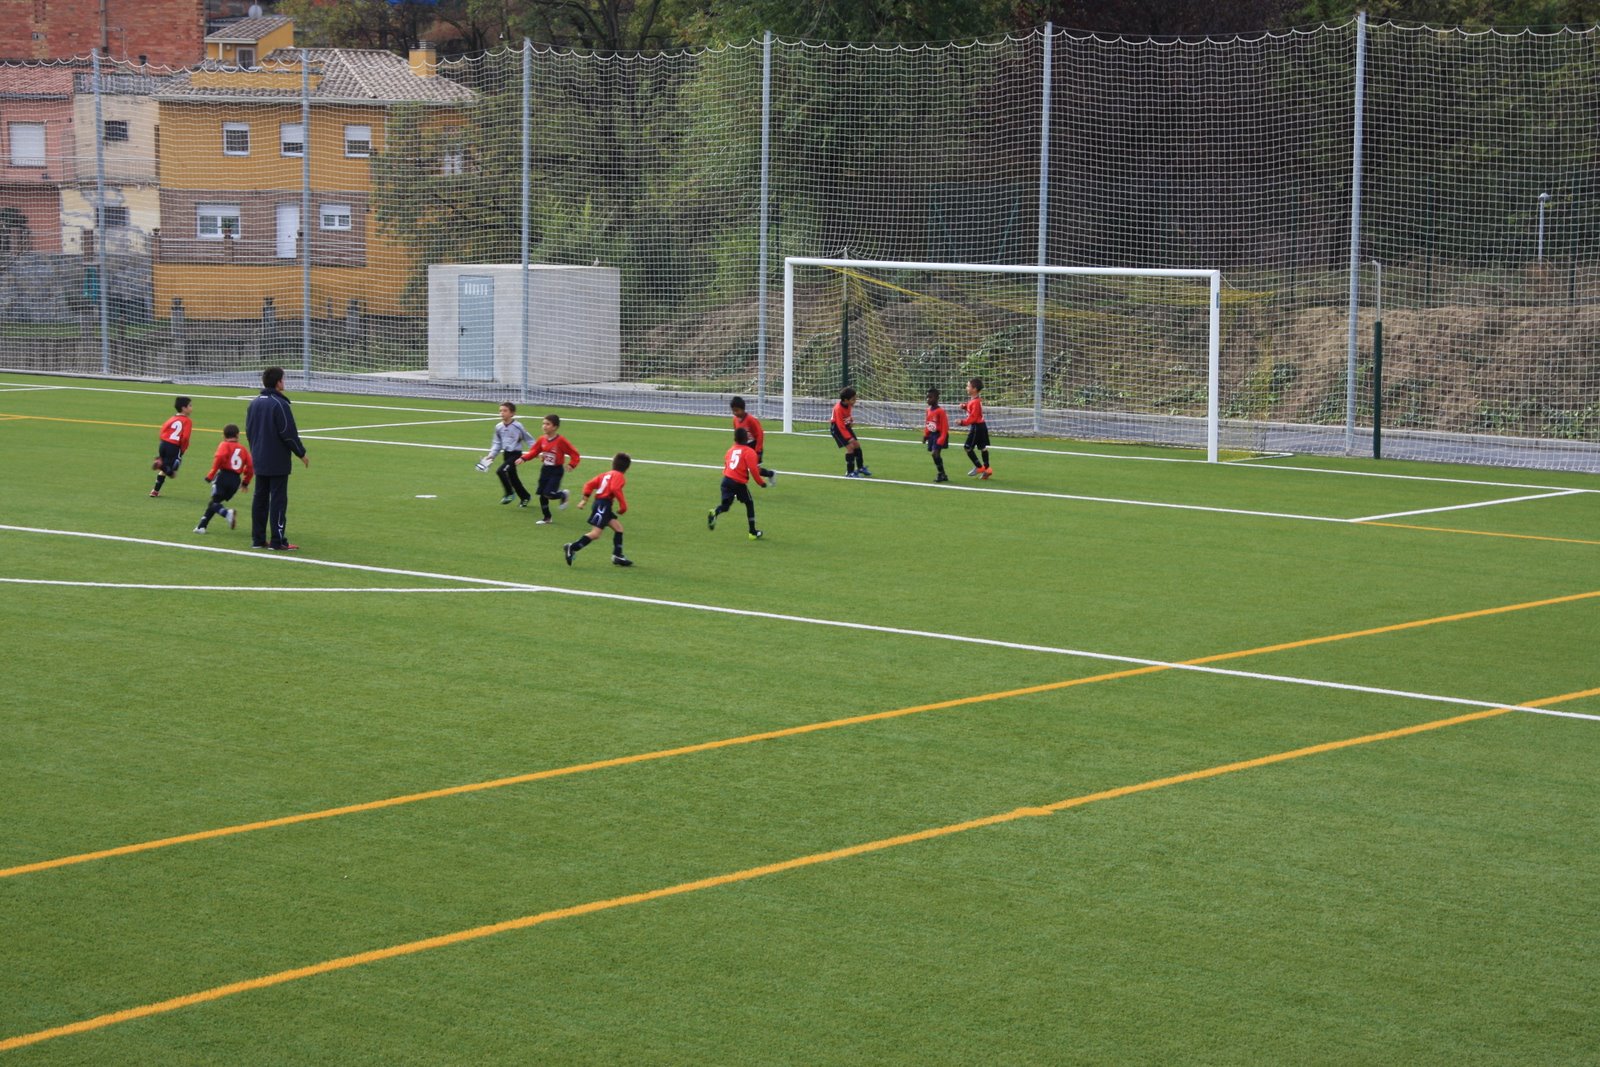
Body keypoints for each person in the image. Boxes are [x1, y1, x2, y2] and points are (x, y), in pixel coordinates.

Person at [244, 366, 309, 551]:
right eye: (283, 379)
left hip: (259, 458)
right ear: (278, 382)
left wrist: (255, 451)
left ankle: (258, 539)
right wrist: (301, 453)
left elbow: (249, 431)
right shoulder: (280, 404)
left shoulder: (254, 403)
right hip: (277, 461)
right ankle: (278, 541)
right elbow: (288, 433)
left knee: (260, 498)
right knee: (278, 500)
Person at [564, 452, 632, 567]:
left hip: (602, 505)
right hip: (603, 505)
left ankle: (617, 556)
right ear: (627, 467)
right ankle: (572, 547)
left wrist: (585, 500)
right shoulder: (619, 476)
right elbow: (615, 488)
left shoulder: (605, 474)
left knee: (618, 528)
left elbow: (589, 485)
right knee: (595, 533)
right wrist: (623, 505)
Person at [515, 414, 581, 525]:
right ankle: (547, 517)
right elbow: (534, 451)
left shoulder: (561, 441)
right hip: (545, 469)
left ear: (555, 427)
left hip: (556, 470)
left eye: (547, 424)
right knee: (542, 494)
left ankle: (563, 495)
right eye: (543, 423)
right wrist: (523, 458)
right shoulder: (542, 439)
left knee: (548, 493)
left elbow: (574, 453)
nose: (544, 426)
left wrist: (572, 464)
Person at [707, 427, 766, 540]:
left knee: (726, 506)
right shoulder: (749, 452)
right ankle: (752, 532)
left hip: (726, 480)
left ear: (735, 439)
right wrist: (761, 482)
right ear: (746, 438)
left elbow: (726, 463)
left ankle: (715, 511)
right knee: (749, 503)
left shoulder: (730, 450)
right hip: (738, 482)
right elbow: (754, 470)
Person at [195, 424, 253, 534]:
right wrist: (245, 482)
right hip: (235, 481)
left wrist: (211, 475)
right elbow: (250, 466)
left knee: (214, 503)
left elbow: (219, 457)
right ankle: (201, 526)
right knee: (215, 502)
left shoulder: (224, 445)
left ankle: (227, 513)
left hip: (223, 477)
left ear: (224, 436)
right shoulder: (243, 449)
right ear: (237, 435)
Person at [481, 402, 537, 508]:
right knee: (513, 478)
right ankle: (525, 497)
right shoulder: (498, 427)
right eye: (500, 411)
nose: (502, 413)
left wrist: (536, 452)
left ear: (512, 413)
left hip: (515, 454)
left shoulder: (517, 426)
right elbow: (497, 443)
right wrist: (491, 455)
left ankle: (509, 493)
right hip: (506, 455)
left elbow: (529, 439)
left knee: (501, 471)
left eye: (505, 411)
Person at [149, 396, 193, 497]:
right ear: (184, 408)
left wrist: (163, 442)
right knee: (172, 472)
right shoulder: (187, 421)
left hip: (163, 444)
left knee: (164, 470)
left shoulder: (172, 418)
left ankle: (155, 491)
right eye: (190, 405)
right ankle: (160, 465)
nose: (192, 408)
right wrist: (182, 449)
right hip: (174, 447)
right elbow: (185, 437)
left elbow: (162, 431)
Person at [729, 396, 775, 484]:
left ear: (743, 409)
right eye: (733, 411)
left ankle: (771, 474)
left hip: (754, 445)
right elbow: (737, 434)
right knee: (739, 467)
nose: (735, 413)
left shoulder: (751, 420)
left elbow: (760, 434)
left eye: (737, 410)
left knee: (756, 470)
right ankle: (739, 486)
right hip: (743, 447)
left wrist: (758, 450)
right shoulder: (735, 420)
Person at [830, 386, 871, 478]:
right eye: (853, 399)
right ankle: (850, 472)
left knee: (857, 445)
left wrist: (850, 421)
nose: (855, 401)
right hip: (837, 430)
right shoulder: (838, 409)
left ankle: (860, 468)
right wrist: (849, 437)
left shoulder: (848, 405)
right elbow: (840, 425)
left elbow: (847, 415)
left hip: (845, 427)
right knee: (850, 448)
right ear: (846, 400)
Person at [960, 376, 992, 479]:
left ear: (974, 389)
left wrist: (962, 422)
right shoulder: (975, 400)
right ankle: (987, 469)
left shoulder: (975, 402)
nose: (966, 387)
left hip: (977, 427)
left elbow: (973, 417)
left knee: (967, 447)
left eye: (968, 386)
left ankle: (979, 467)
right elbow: (974, 413)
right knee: (982, 447)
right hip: (982, 426)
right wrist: (965, 407)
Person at [924, 387, 950, 483]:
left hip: (940, 435)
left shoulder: (941, 411)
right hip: (932, 435)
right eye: (927, 397)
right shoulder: (928, 410)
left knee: (935, 454)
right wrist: (926, 435)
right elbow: (928, 423)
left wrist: (942, 438)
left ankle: (940, 474)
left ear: (936, 398)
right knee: (935, 455)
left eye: (930, 397)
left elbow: (945, 426)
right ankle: (943, 474)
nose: (928, 399)